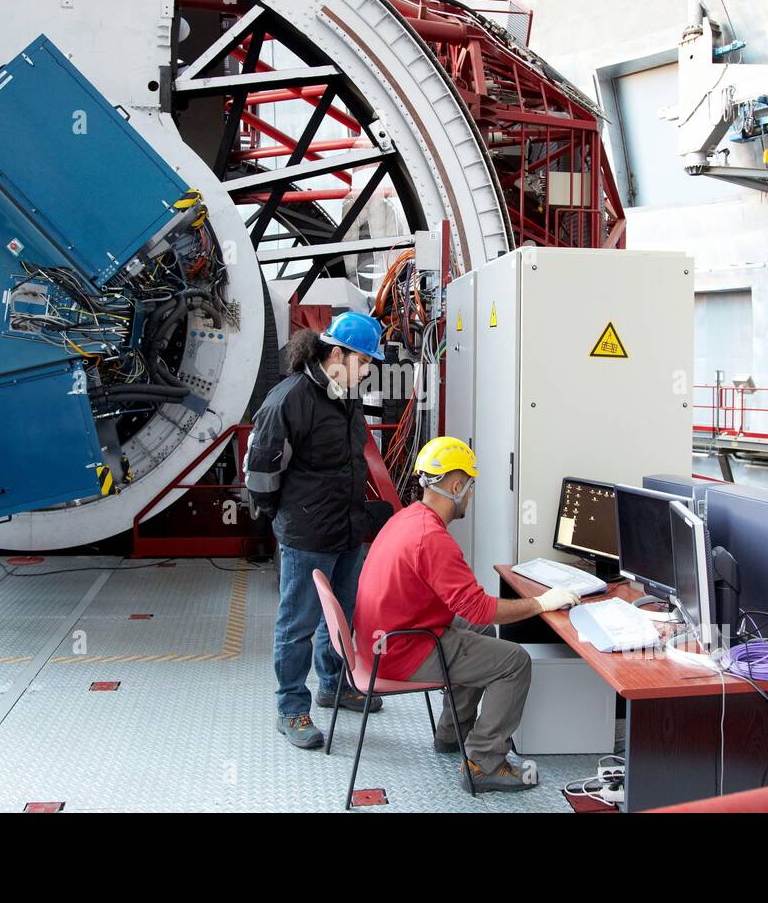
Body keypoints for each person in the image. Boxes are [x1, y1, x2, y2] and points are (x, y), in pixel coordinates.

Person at [353, 436, 580, 792]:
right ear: (457, 487)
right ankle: (482, 763)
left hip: (381, 640)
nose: (471, 495)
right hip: (401, 649)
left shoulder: (408, 518)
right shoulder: (432, 539)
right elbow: (480, 607)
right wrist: (542, 603)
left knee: (481, 632)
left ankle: (451, 732)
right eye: (470, 486)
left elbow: (469, 610)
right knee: (514, 661)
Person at [245, 311, 386, 750]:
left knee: (340, 616)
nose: (367, 370)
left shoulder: (345, 396)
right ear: (337, 354)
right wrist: (285, 517)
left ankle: (333, 684)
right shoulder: (289, 399)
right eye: (364, 360)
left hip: (347, 528)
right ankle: (291, 708)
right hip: (306, 536)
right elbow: (260, 471)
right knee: (298, 624)